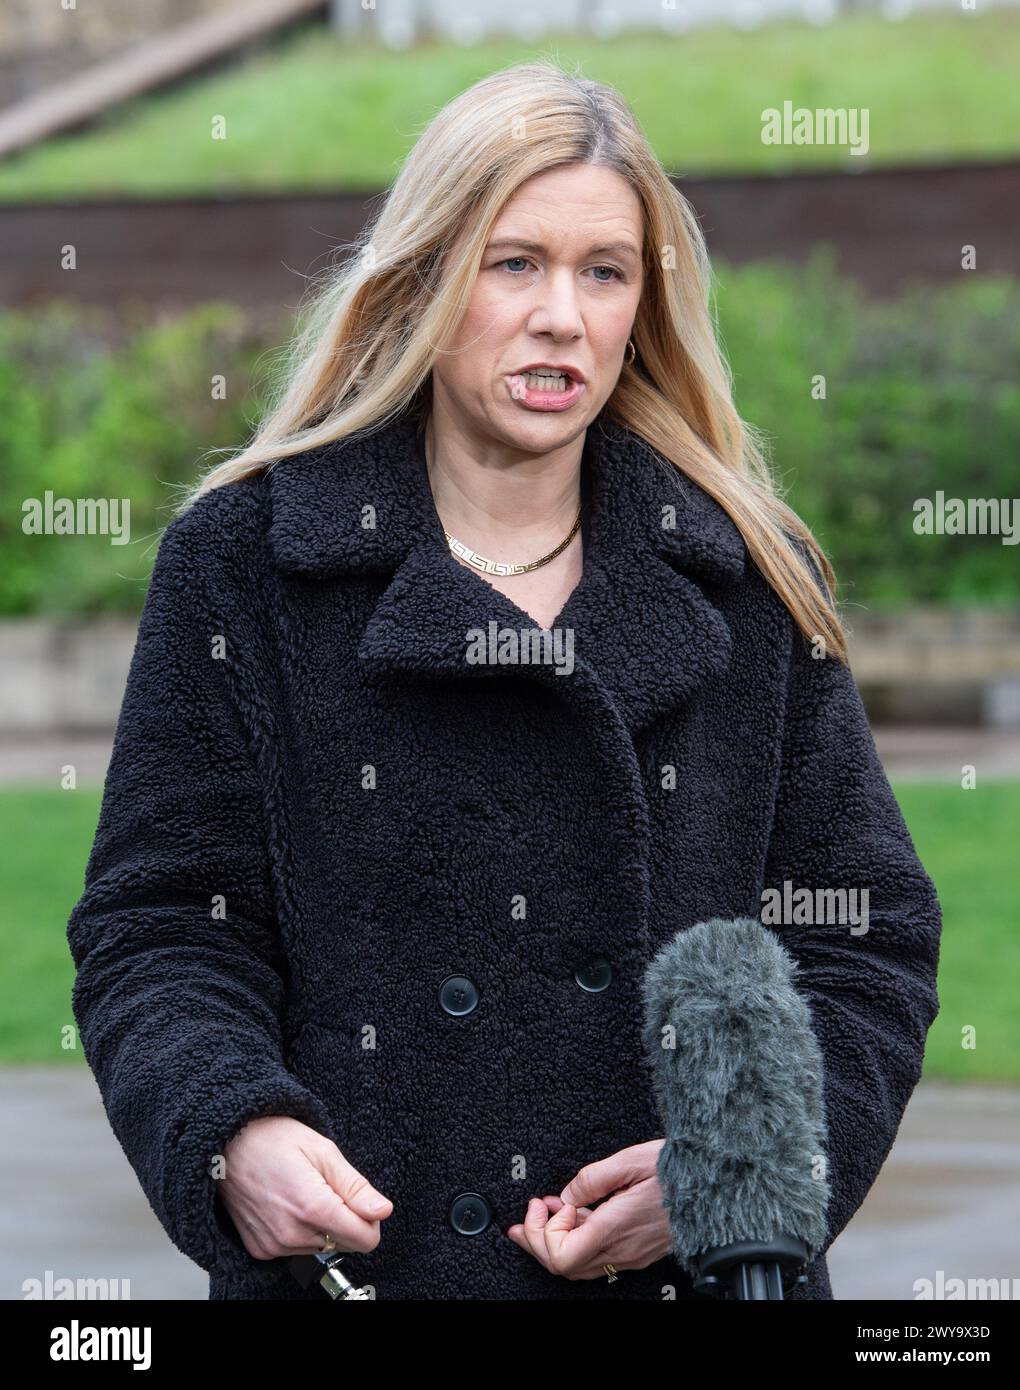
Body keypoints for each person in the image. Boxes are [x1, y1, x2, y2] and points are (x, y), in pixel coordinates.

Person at [67, 60, 942, 1301]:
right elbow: (160, 927)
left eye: (605, 271)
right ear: (423, 279)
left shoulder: (749, 576)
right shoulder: (245, 563)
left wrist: (736, 1166)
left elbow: (863, 933)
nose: (561, 316)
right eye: (511, 261)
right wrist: (232, 1131)